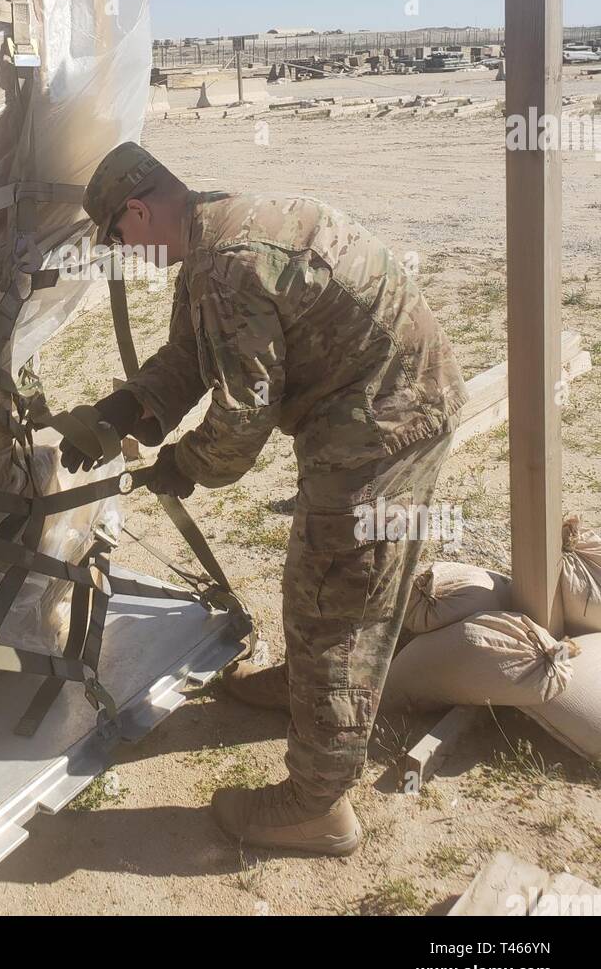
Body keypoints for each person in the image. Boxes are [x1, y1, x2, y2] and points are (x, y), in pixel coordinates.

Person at [60, 141, 466, 856]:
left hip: (381, 430)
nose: (124, 253)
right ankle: (304, 691)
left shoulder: (226, 264)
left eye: (117, 239)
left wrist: (185, 465)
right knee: (325, 589)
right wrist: (121, 412)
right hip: (378, 407)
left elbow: (243, 413)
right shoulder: (217, 228)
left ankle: (316, 807)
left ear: (135, 209)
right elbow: (191, 354)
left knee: (335, 607)